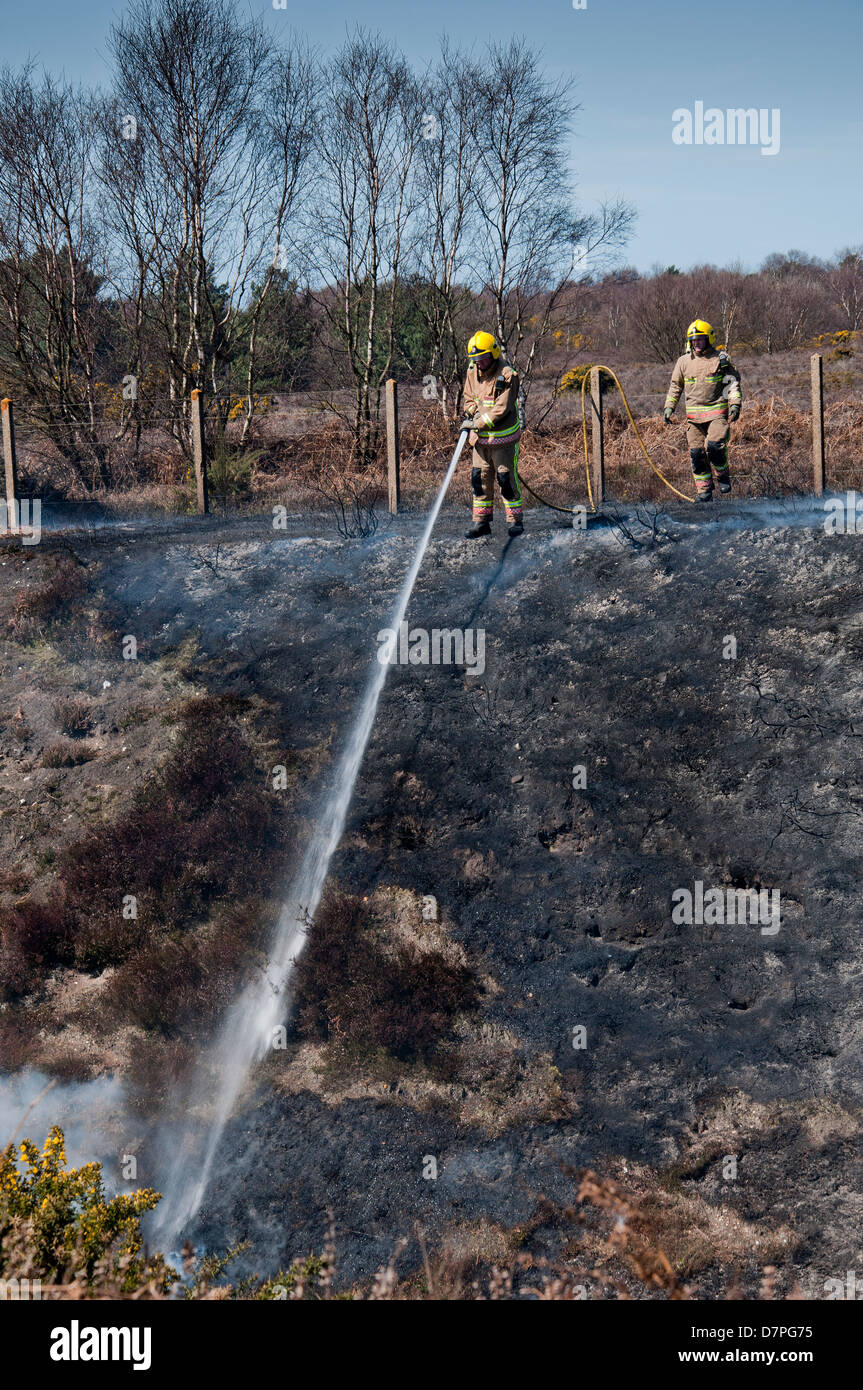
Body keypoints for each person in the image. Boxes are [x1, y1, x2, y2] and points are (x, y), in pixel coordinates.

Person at [663, 319, 742, 501]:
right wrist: (669, 407)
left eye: (700, 339)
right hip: (693, 418)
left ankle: (722, 477)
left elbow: (731, 383)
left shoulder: (721, 359)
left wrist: (735, 404)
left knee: (714, 447)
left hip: (716, 415)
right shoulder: (683, 362)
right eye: (693, 340)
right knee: (697, 454)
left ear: (709, 339)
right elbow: (676, 386)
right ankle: (704, 492)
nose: (696, 343)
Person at [460, 331, 524, 538]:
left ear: (493, 354)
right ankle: (481, 522)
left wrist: (477, 423)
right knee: (479, 479)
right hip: (480, 441)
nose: (479, 363)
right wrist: (470, 414)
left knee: (505, 478)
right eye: (475, 359)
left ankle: (514, 521)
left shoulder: (508, 375)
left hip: (502, 440)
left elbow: (501, 408)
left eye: (482, 358)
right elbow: (469, 398)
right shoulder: (473, 370)